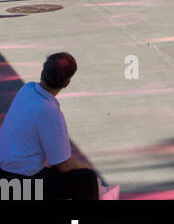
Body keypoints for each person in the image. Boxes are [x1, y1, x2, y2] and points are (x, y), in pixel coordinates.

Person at [0, 52, 100, 200]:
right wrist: (85, 166)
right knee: (86, 178)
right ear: (66, 83)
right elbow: (64, 165)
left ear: (42, 73)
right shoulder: (49, 112)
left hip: (5, 171)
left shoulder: (26, 89)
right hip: (18, 185)